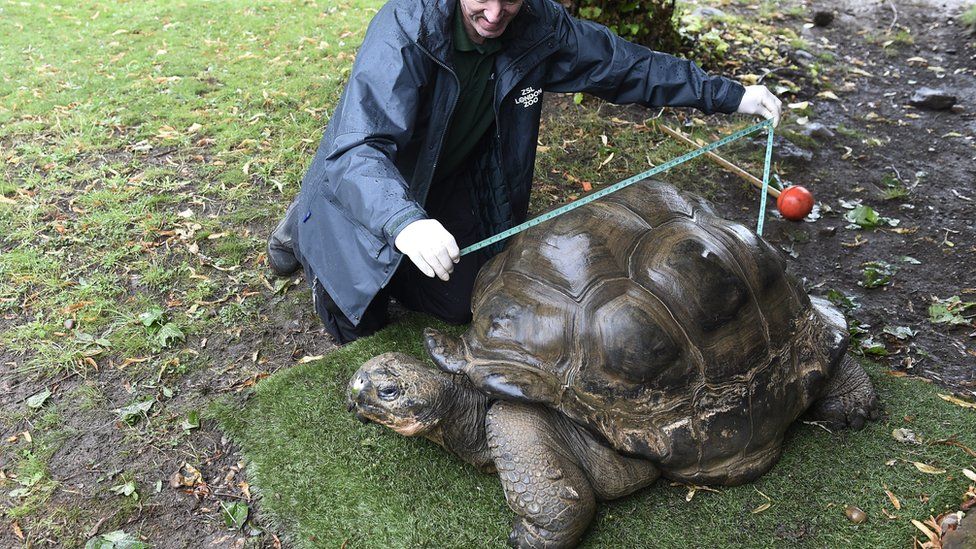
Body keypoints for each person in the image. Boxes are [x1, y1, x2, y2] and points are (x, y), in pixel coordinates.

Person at [267, 0, 782, 344]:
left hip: (443, 184)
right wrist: (405, 223)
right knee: (360, 323)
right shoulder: (406, 25)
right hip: (367, 184)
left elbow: (628, 66)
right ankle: (308, 227)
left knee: (460, 302)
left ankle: (383, 242)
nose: (495, 15)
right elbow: (358, 149)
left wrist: (731, 95)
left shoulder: (539, 26)